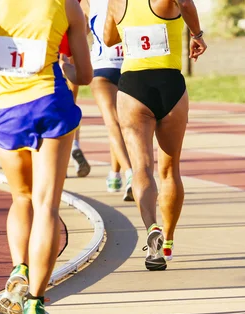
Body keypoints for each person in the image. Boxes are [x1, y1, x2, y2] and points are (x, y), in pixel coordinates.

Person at [0, 0, 92, 314]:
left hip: (7, 111)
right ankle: (34, 302)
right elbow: (85, 75)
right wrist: (63, 65)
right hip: (51, 104)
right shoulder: (69, 5)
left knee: (22, 197)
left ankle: (19, 267)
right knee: (47, 206)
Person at [104, 0, 206, 270]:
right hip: (169, 83)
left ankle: (152, 227)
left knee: (142, 168)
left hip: (133, 86)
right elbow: (185, 3)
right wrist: (197, 35)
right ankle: (168, 241)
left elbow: (108, 37)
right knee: (170, 170)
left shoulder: (117, 2)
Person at [84, 0, 133, 200]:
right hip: (104, 68)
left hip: (128, 67)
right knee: (114, 121)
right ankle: (131, 173)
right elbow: (78, 28)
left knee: (119, 123)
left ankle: (115, 172)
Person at [59, 2, 91, 178]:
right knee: (70, 103)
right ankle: (74, 145)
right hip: (70, 44)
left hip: (51, 43)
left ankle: (61, 162)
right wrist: (77, 33)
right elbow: (89, 18)